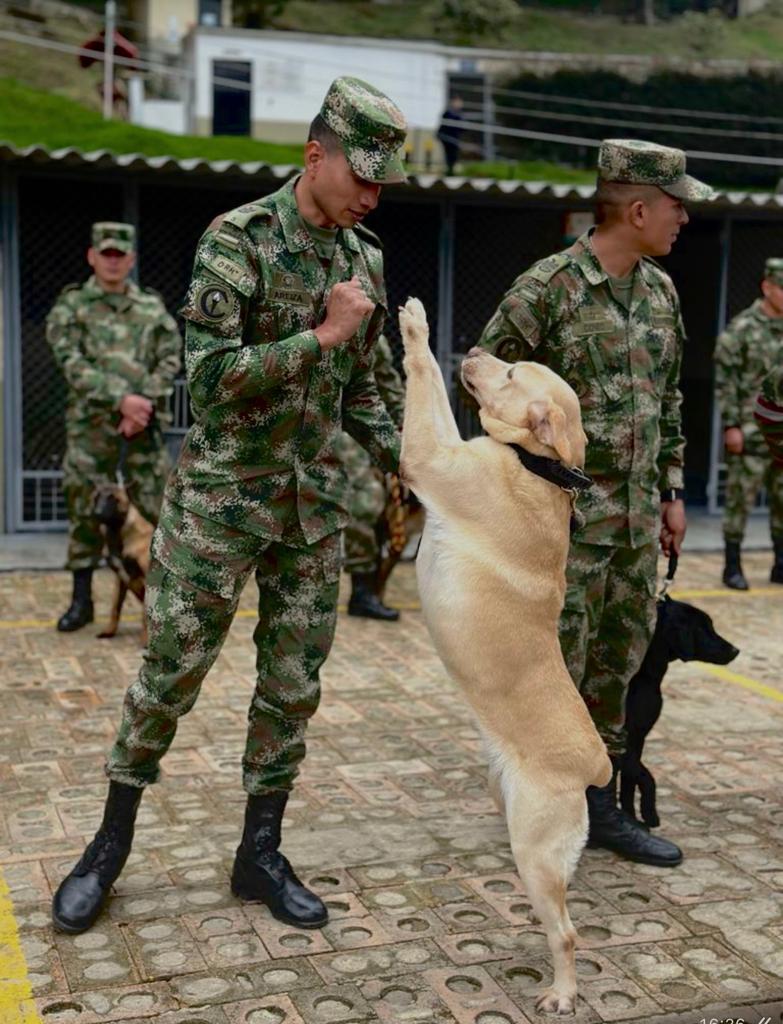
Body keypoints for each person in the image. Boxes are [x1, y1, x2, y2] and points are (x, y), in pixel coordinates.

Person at [52, 77, 407, 935]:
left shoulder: (364, 260)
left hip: (313, 508)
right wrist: (319, 335)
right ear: (314, 156)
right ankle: (107, 846)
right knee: (170, 671)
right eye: (360, 176)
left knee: (291, 686)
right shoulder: (237, 240)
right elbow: (209, 383)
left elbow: (367, 385)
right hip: (221, 504)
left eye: (382, 183)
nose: (371, 196)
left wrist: (414, 459)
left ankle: (260, 853)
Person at [476, 138, 715, 868]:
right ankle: (542, 800)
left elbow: (667, 401)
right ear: (637, 210)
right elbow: (482, 374)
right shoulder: (548, 288)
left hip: (637, 523)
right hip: (564, 528)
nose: (683, 219)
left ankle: (600, 805)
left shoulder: (661, 292)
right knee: (555, 667)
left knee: (617, 662)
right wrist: (523, 456)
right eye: (676, 207)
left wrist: (672, 492)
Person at [46, 223, 182, 632]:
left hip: (143, 430)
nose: (112, 261)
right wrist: (121, 400)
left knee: (156, 509)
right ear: (92, 256)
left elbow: (171, 357)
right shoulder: (72, 307)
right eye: (105, 253)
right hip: (92, 430)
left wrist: (141, 405)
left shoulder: (151, 308)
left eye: (119, 254)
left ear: (131, 259)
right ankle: (82, 601)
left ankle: (164, 602)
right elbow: (70, 362)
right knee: (84, 510)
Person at [714, 258, 783, 590]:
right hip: (751, 430)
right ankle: (732, 566)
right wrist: (731, 425)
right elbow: (726, 381)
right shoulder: (742, 329)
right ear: (767, 287)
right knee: (739, 500)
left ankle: (780, 564)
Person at [341, 334, 406, 620]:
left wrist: (405, 425)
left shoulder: (369, 332)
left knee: (371, 500)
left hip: (353, 424)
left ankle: (364, 591)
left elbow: (388, 384)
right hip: (301, 425)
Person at [436, 95, 464, 175]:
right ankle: (450, 170)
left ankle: (451, 170)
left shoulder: (458, 113)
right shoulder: (449, 113)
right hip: (448, 137)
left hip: (453, 138)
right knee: (450, 154)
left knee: (453, 155)